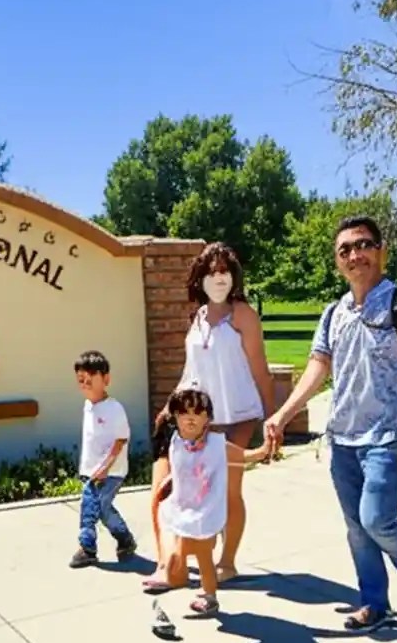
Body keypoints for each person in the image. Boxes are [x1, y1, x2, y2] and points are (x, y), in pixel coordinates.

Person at [263, 215, 397, 632]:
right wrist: (282, 415)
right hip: (341, 439)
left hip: (387, 436)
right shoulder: (333, 312)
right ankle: (374, 604)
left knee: (377, 519)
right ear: (337, 261)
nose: (355, 255)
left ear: (381, 252)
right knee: (357, 529)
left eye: (363, 245)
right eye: (345, 250)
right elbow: (317, 370)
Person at [151, 242, 276, 585]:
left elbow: (261, 370)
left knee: (230, 488)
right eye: (211, 270)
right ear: (201, 276)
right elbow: (191, 371)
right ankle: (193, 555)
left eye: (224, 270)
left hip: (240, 415)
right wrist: (169, 405)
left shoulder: (243, 315)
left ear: (232, 275)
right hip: (204, 418)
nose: (218, 276)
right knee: (201, 491)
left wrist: (273, 421)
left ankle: (228, 562)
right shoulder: (199, 318)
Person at [154, 387, 269, 615]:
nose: (190, 418)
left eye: (197, 413)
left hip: (206, 510)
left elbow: (241, 455)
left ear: (207, 418)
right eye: (184, 413)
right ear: (175, 417)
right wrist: (168, 482)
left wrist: (263, 450)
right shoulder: (176, 442)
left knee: (199, 555)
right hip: (183, 507)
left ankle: (206, 592)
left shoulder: (216, 444)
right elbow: (179, 468)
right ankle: (209, 596)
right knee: (197, 553)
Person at [69, 350, 137, 568]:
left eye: (90, 379)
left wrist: (105, 467)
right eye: (81, 380)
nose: (85, 384)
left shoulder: (114, 409)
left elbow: (120, 440)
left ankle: (87, 547)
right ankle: (125, 539)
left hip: (111, 472)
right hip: (91, 470)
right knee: (104, 510)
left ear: (106, 379)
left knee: (91, 507)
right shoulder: (88, 406)